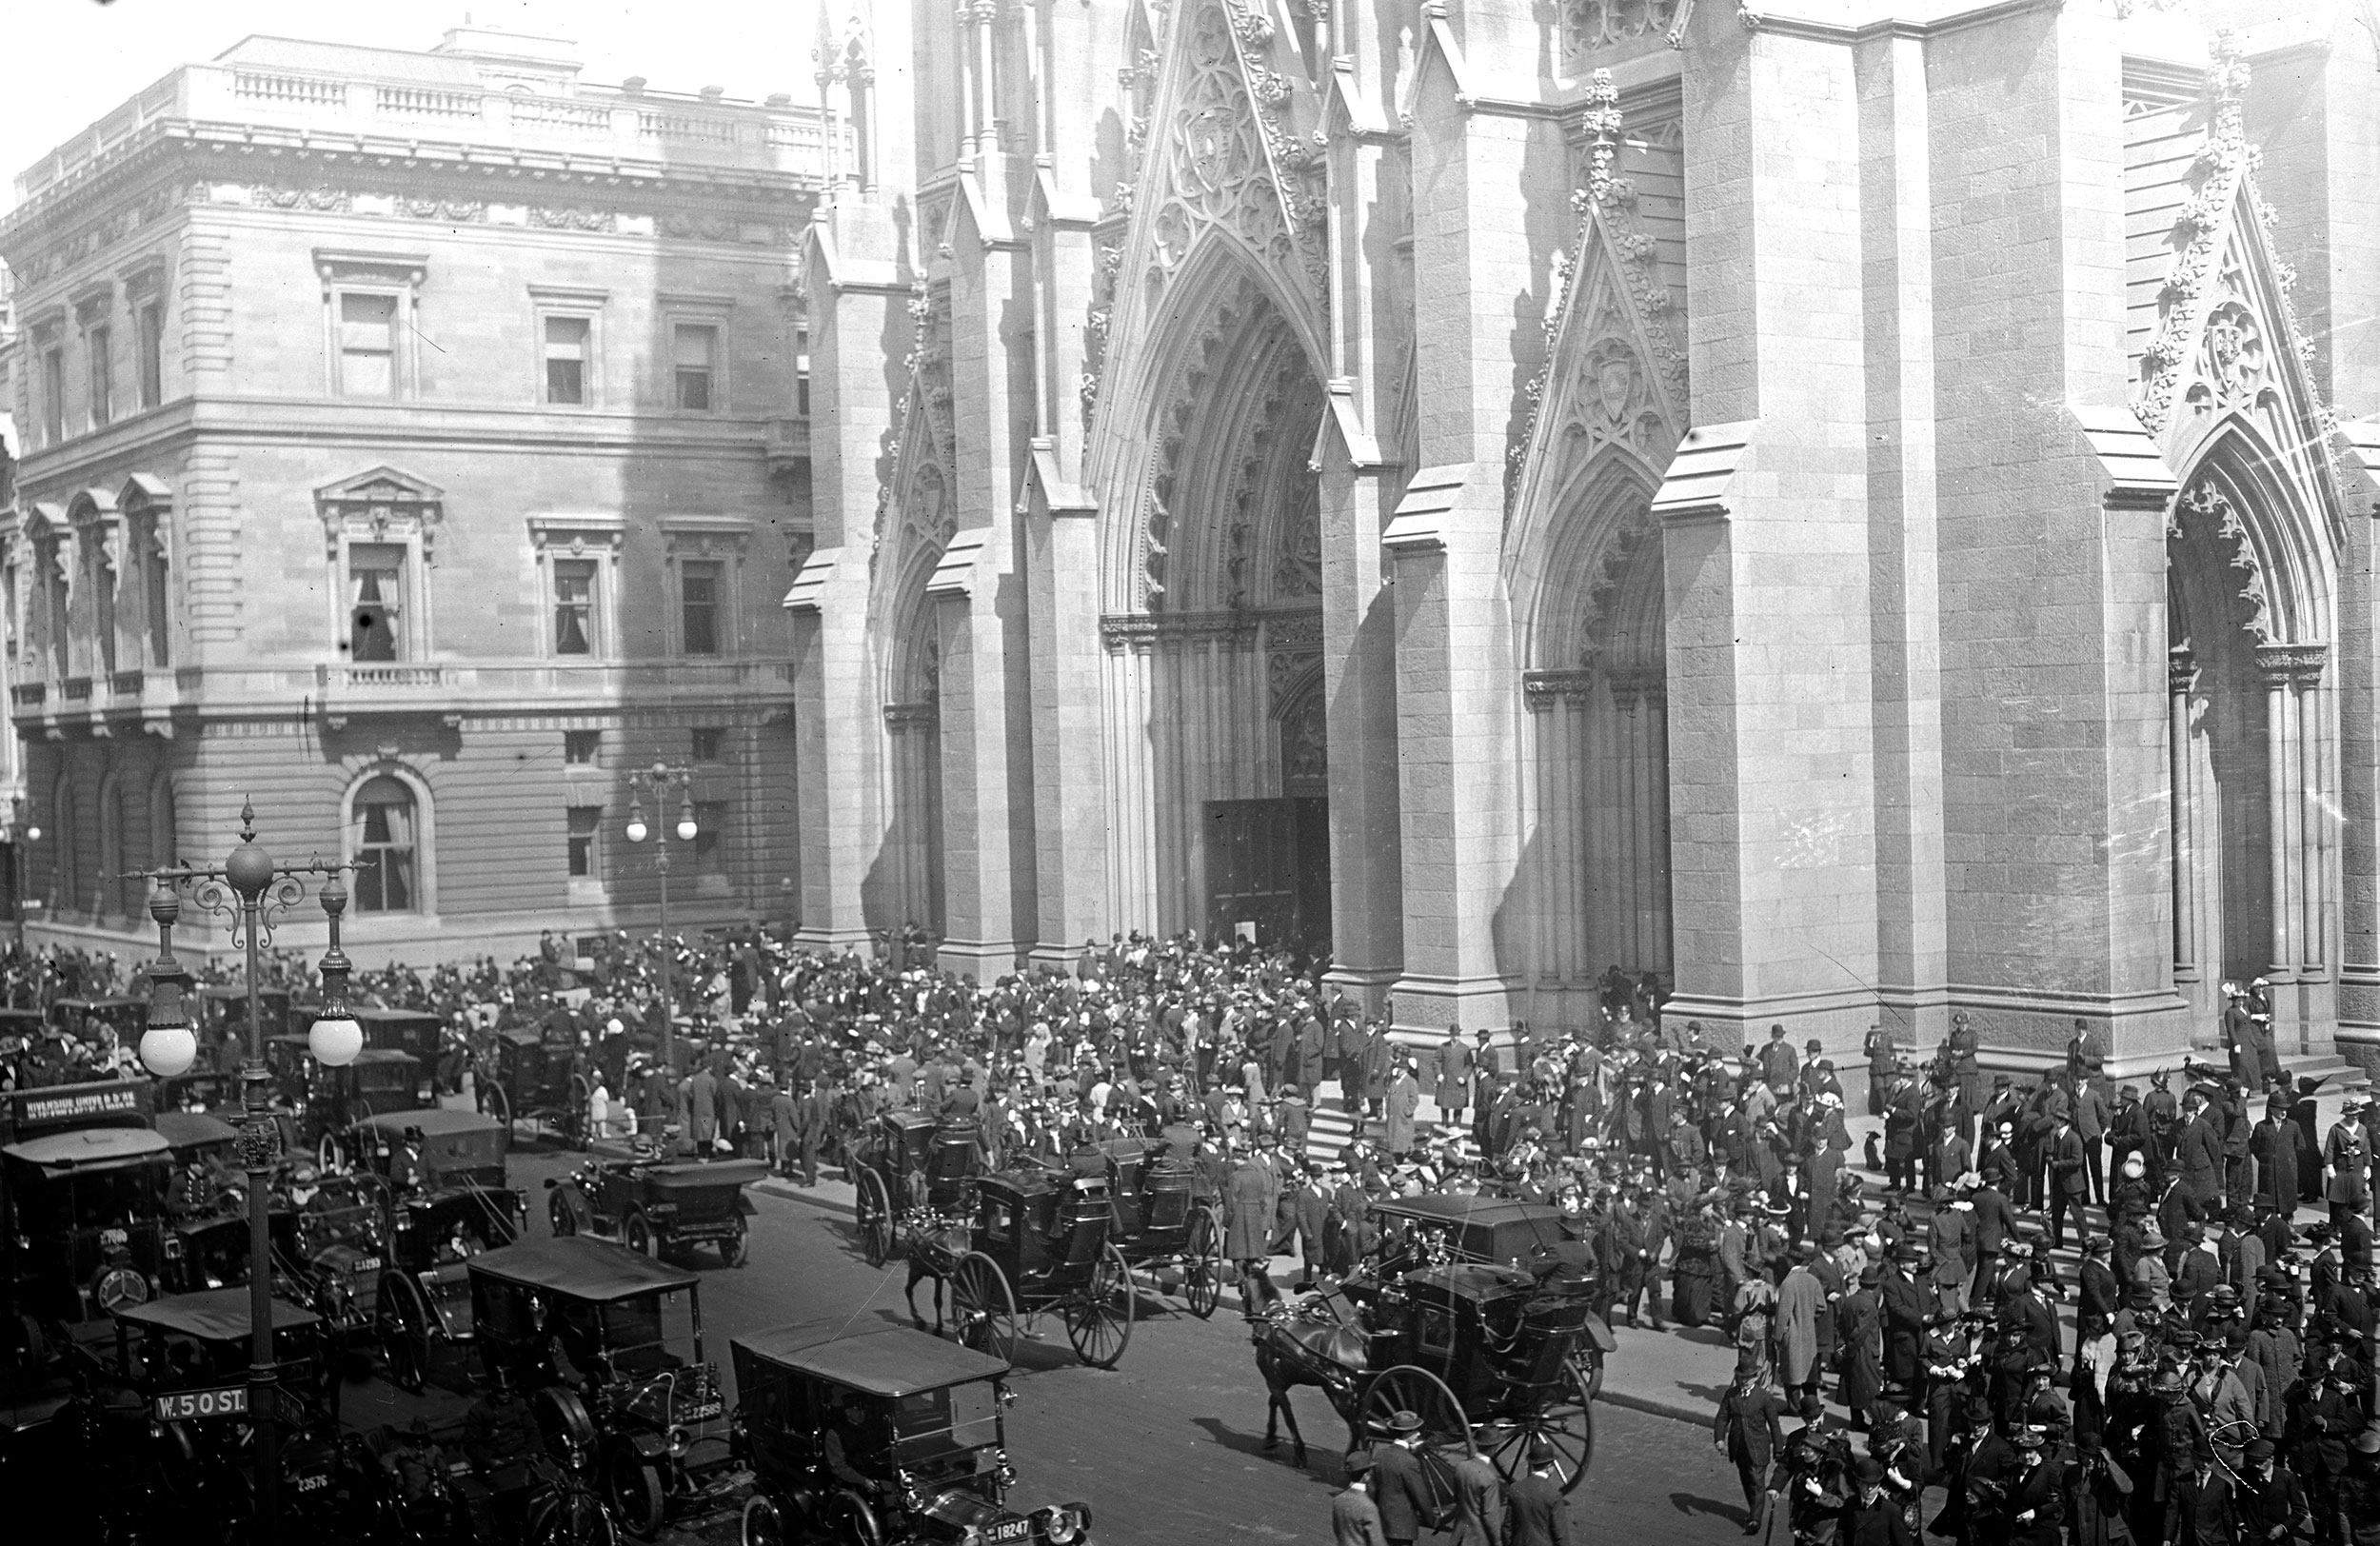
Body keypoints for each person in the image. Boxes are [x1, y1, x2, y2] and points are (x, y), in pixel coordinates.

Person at [1714, 1357, 1788, 1535]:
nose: (1744, 1382)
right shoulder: (1731, 1395)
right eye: (1741, 1378)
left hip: (1758, 1448)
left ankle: (1755, 1520)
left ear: (1756, 1377)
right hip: (1739, 1448)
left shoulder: (1764, 1397)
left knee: (1756, 1481)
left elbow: (1774, 1424)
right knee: (1747, 1480)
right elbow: (1722, 1418)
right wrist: (1719, 1439)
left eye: (1748, 1378)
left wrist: (1778, 1448)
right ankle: (1753, 1510)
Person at [1371, 1410, 1435, 1546]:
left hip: (1382, 1522)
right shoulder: (1409, 1461)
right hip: (1402, 1527)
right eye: (1415, 1431)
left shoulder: (1380, 1455)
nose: (1418, 1434)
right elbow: (1420, 1495)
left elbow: (1372, 1489)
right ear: (1407, 1434)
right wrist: (1431, 1520)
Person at [1502, 1437, 1573, 1546]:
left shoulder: (1515, 1488)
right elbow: (1560, 1534)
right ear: (1549, 1466)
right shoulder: (1553, 1495)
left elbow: (1507, 1527)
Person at [1450, 1447, 1505, 1546]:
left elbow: (1457, 1499)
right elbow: (1490, 1515)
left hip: (1459, 1533)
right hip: (1478, 1538)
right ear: (1493, 1448)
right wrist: (1497, 1541)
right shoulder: (1489, 1477)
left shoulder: (1460, 1467)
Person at [1334, 1452, 1389, 1546]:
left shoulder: (1338, 1500)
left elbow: (1337, 1530)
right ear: (1366, 1476)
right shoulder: (1368, 1506)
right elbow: (1377, 1542)